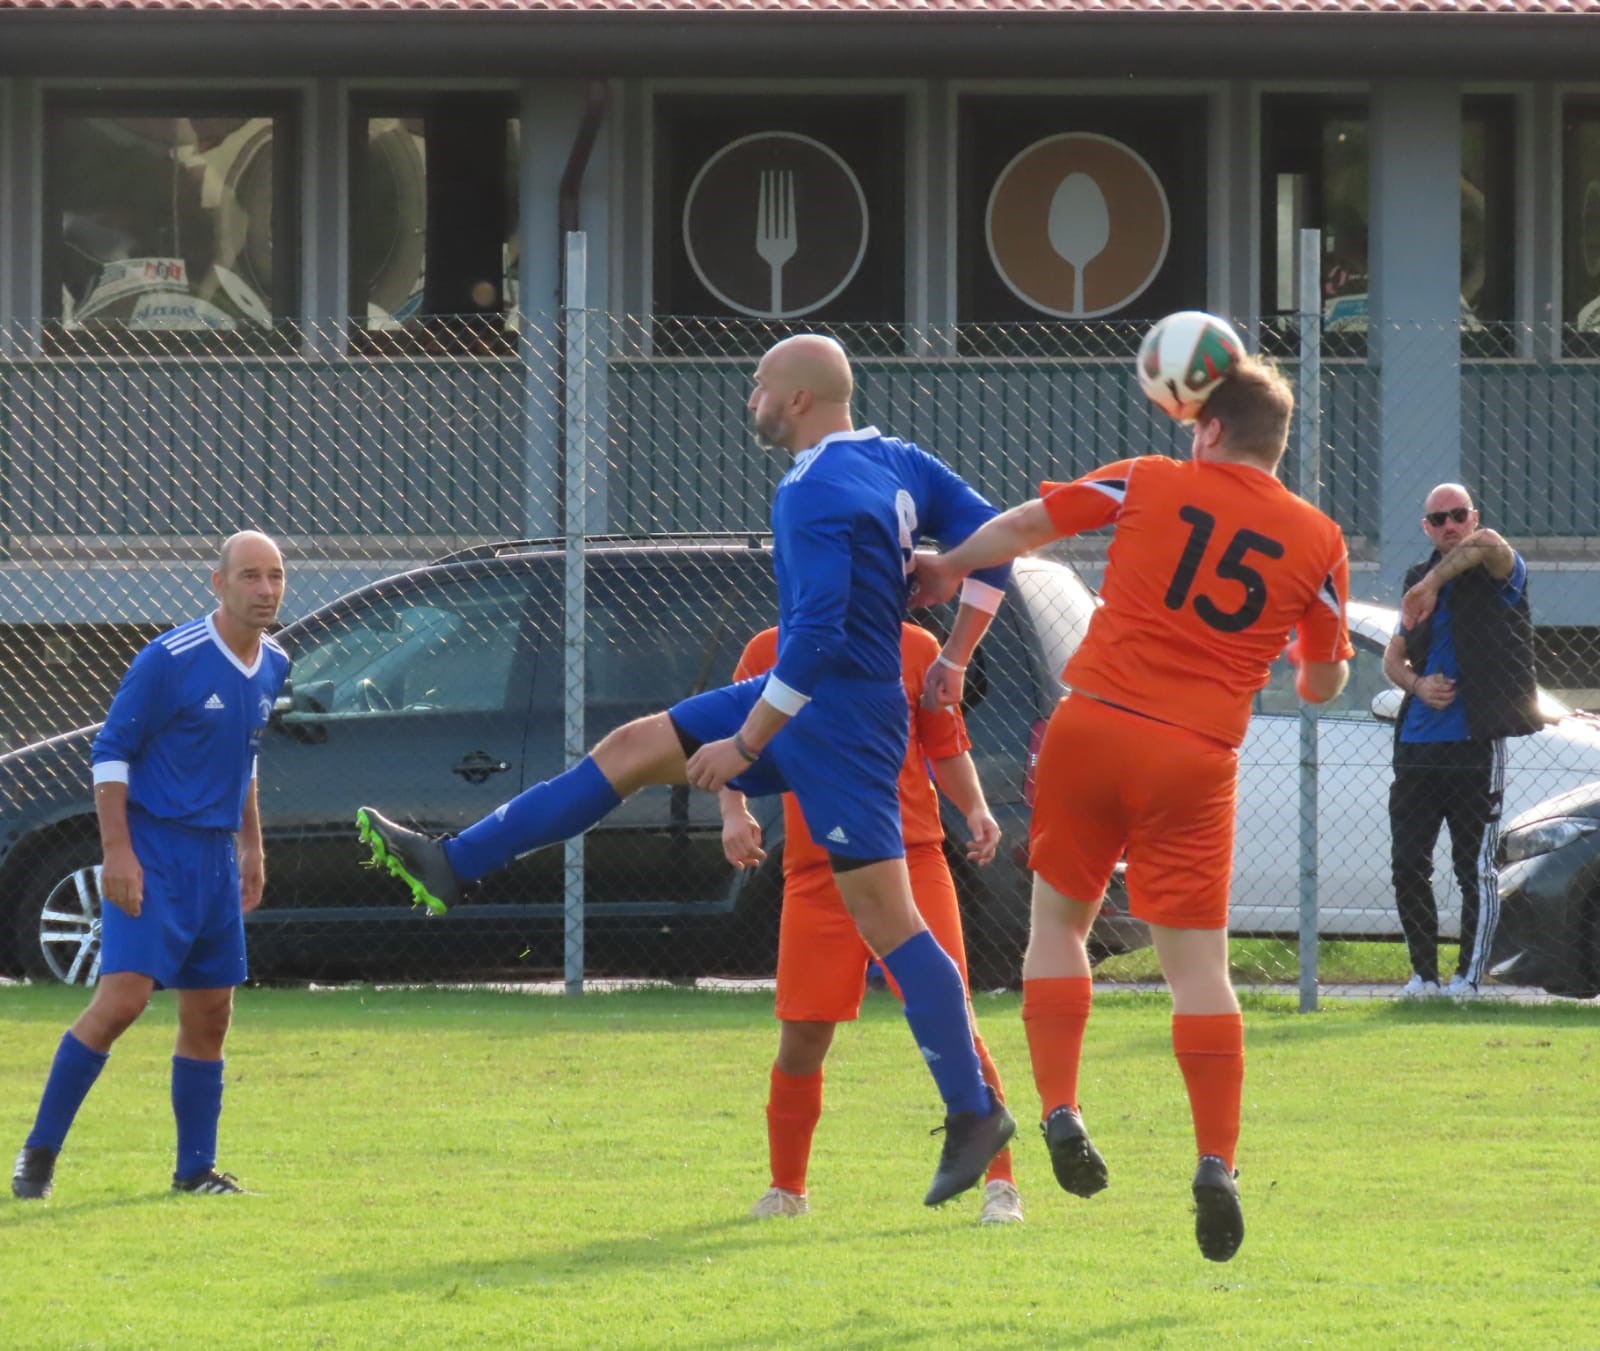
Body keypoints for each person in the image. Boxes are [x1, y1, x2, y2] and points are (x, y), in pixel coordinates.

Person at [356, 333, 1018, 1207]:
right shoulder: (895, 460)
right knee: (630, 749)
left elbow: (815, 641)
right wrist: (957, 650)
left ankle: (975, 1113)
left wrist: (744, 747)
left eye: (760, 385)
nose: (751, 397)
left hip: (842, 723)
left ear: (800, 401)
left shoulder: (817, 489)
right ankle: (454, 861)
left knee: (893, 926)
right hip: (828, 707)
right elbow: (998, 543)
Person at [911, 354, 1353, 1263]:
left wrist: (949, 564)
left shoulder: (1149, 479)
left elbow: (1029, 525)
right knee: (1198, 968)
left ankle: (1061, 1105)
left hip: (1095, 722)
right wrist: (1300, 661)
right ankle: (1216, 1160)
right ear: (1280, 440)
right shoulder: (1320, 540)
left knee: (1060, 925)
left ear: (1208, 427)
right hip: (1197, 755)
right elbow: (1322, 682)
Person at [12, 531, 290, 1201]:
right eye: (249, 575)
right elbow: (110, 752)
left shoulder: (275, 662)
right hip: (155, 849)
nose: (265, 589)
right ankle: (38, 1156)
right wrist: (118, 851)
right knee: (123, 1000)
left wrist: (251, 844)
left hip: (215, 859)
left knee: (212, 1014)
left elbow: (243, 758)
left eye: (275, 575)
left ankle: (195, 1169)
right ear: (216, 583)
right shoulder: (170, 657)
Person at [723, 621, 1022, 1226]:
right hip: (816, 869)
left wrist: (978, 808)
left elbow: (944, 742)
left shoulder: (916, 648)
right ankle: (786, 1189)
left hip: (910, 857)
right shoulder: (767, 650)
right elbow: (734, 745)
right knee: (803, 1034)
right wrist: (735, 812)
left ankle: (1002, 1185)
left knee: (955, 1015)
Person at [1382, 483, 1540, 1002]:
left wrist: (1431, 583)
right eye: (1438, 519)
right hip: (1416, 747)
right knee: (1409, 863)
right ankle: (1423, 978)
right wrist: (1417, 685)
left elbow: (1492, 544)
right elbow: (1393, 658)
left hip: (1473, 744)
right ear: (1426, 528)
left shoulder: (1496, 573)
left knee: (1473, 867)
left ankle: (1466, 980)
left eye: (1457, 516)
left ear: (1471, 518)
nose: (1449, 525)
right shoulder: (1414, 583)